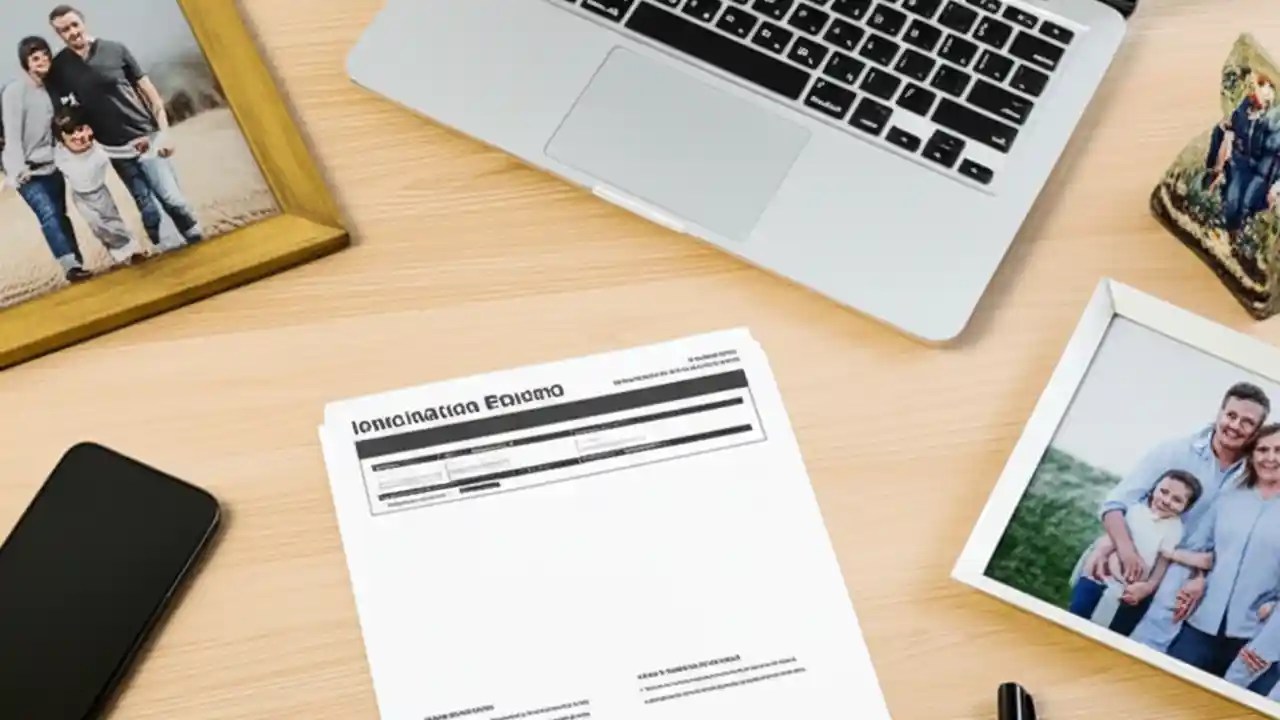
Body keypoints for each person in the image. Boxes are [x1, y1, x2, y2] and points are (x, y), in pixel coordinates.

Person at [1080, 382, 1270, 646]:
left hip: (1181, 593)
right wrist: (1123, 550)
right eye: (1231, 415)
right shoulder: (1174, 451)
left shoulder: (1252, 480)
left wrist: (1200, 578)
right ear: (1219, 413)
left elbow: (1228, 546)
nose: (1236, 426)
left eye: (1247, 422)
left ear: (1257, 431)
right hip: (1126, 568)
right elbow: (1115, 504)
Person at [46, 4, 204, 250]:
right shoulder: (60, 67)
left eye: (75, 25)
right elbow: (57, 107)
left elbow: (150, 93)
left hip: (146, 137)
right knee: (147, 206)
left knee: (173, 199)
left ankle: (195, 236)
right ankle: (168, 250)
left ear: (83, 22)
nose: (72, 32)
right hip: (115, 149)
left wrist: (165, 133)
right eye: (64, 30)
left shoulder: (115, 50)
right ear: (58, 34)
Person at [1166, 424, 1280, 687]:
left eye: (1278, 451)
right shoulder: (1229, 499)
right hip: (1199, 626)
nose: (1270, 458)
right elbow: (1200, 548)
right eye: (1262, 450)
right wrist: (1197, 577)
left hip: (1254, 641)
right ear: (1251, 455)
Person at [1068, 470, 1205, 628]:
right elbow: (1113, 539)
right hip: (1103, 574)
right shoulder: (1135, 510)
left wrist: (1149, 586)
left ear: (1186, 507)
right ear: (1153, 489)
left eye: (1177, 500)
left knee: (1109, 626)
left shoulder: (1174, 528)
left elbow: (1162, 561)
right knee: (1078, 614)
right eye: (1163, 492)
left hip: (1131, 586)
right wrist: (1099, 556)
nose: (1166, 501)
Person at [1, 35, 88, 281]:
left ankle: (77, 263)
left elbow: (56, 130)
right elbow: (12, 135)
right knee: (48, 215)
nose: (42, 61)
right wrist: (18, 170)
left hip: (51, 166)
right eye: (35, 58)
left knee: (60, 215)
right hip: (26, 171)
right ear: (26, 63)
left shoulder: (50, 91)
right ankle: (70, 267)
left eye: (45, 56)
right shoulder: (15, 91)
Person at [52, 110, 144, 268]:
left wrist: (135, 148)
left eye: (80, 129)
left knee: (113, 221)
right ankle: (120, 255)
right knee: (97, 227)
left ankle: (133, 250)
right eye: (70, 133)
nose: (77, 136)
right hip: (80, 197)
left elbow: (119, 150)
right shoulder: (60, 154)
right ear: (61, 139)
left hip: (100, 192)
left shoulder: (99, 149)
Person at [1206, 75, 1278, 239]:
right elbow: (1229, 135)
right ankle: (1228, 232)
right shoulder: (1241, 112)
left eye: (1268, 90)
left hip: (1260, 170)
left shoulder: (1271, 121)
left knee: (1249, 201)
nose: (1265, 94)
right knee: (1232, 199)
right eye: (1262, 88)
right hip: (1240, 164)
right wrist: (1221, 164)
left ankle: (1240, 234)